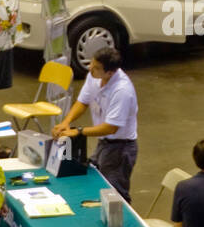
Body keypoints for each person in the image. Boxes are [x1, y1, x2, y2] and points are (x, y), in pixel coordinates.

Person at [52, 47, 139, 202]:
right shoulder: (94, 76)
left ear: (110, 73)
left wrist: (79, 131)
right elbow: (82, 102)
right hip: (104, 143)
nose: (90, 68)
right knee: (95, 183)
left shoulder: (122, 90)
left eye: (96, 67)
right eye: (92, 63)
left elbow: (111, 127)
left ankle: (124, 223)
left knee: (115, 195)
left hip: (120, 148)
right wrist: (66, 122)